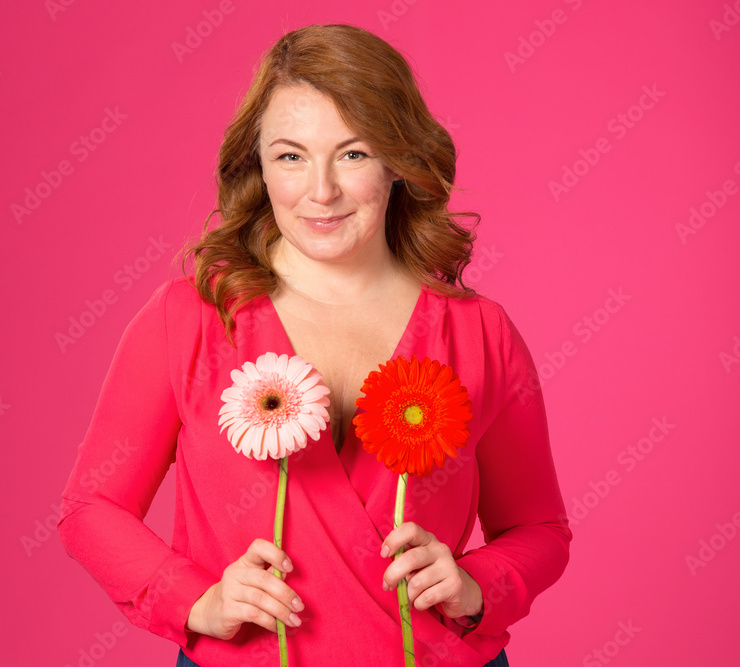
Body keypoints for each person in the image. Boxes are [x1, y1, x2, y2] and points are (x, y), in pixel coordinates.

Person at [58, 23, 571, 667]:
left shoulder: (478, 334)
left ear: (398, 162)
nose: (320, 191)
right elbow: (92, 508)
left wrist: (474, 588)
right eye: (291, 156)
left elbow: (538, 530)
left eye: (353, 154)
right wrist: (194, 600)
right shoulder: (192, 318)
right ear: (260, 166)